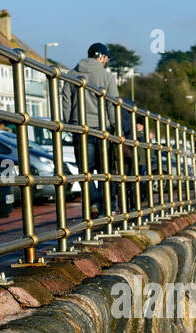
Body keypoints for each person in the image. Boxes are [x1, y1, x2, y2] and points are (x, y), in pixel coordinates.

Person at [59, 42, 119, 217]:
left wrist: (69, 123)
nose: (106, 62)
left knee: (86, 171)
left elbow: (66, 101)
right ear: (102, 57)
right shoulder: (106, 76)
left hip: (80, 127)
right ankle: (105, 207)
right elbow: (112, 104)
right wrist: (116, 128)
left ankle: (92, 203)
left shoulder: (72, 73)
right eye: (106, 58)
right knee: (104, 170)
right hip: (102, 129)